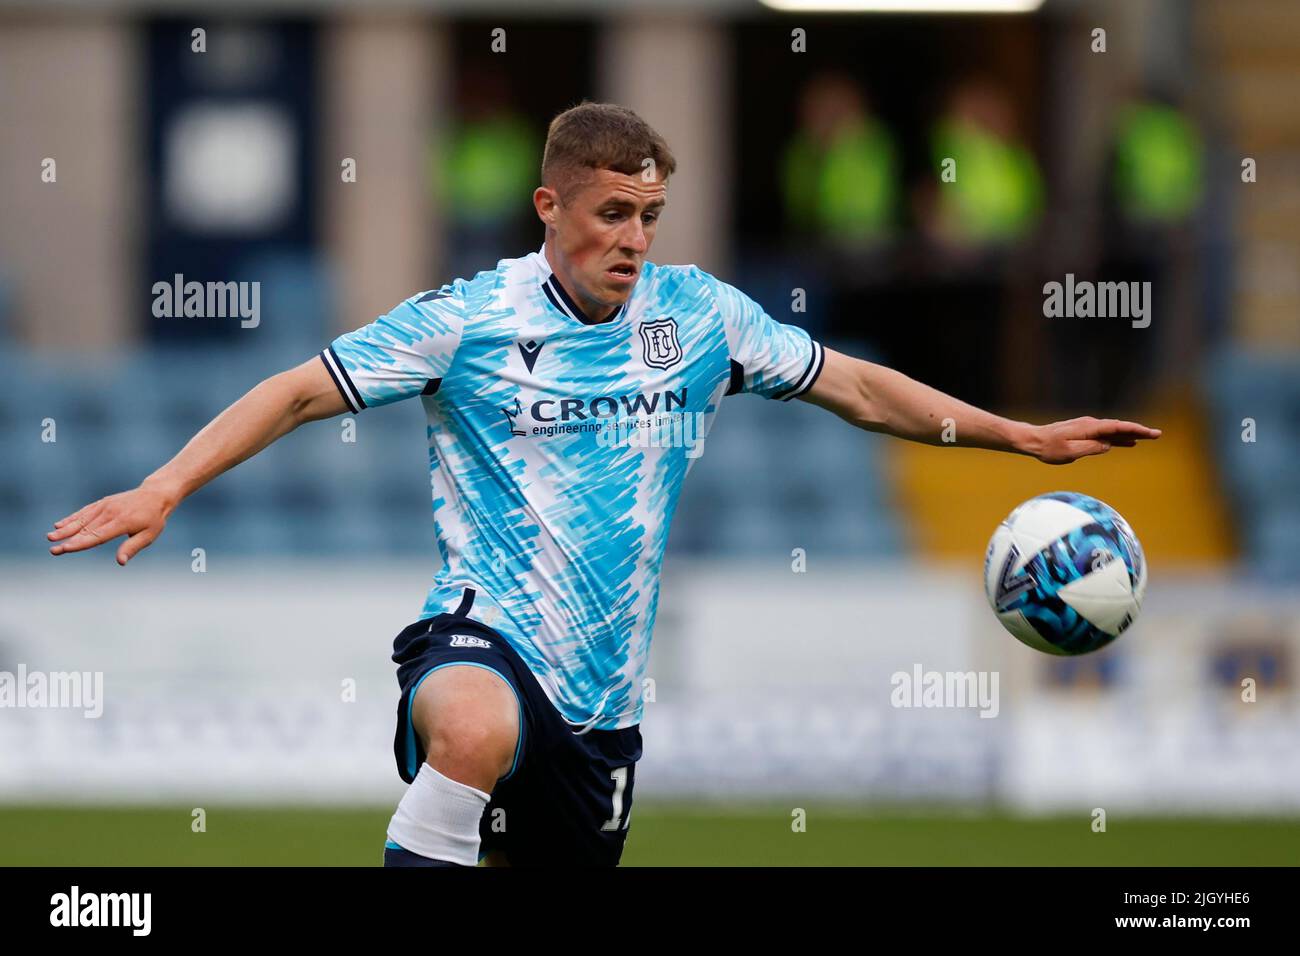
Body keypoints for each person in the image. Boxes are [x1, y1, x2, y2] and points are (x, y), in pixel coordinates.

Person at [47, 102, 1161, 866]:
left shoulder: (700, 316)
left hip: (604, 709)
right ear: (549, 208)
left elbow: (859, 390)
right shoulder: (471, 319)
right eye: (611, 215)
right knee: (469, 728)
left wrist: (1020, 436)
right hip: (480, 633)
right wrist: (166, 484)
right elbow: (296, 391)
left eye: (649, 216)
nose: (633, 239)